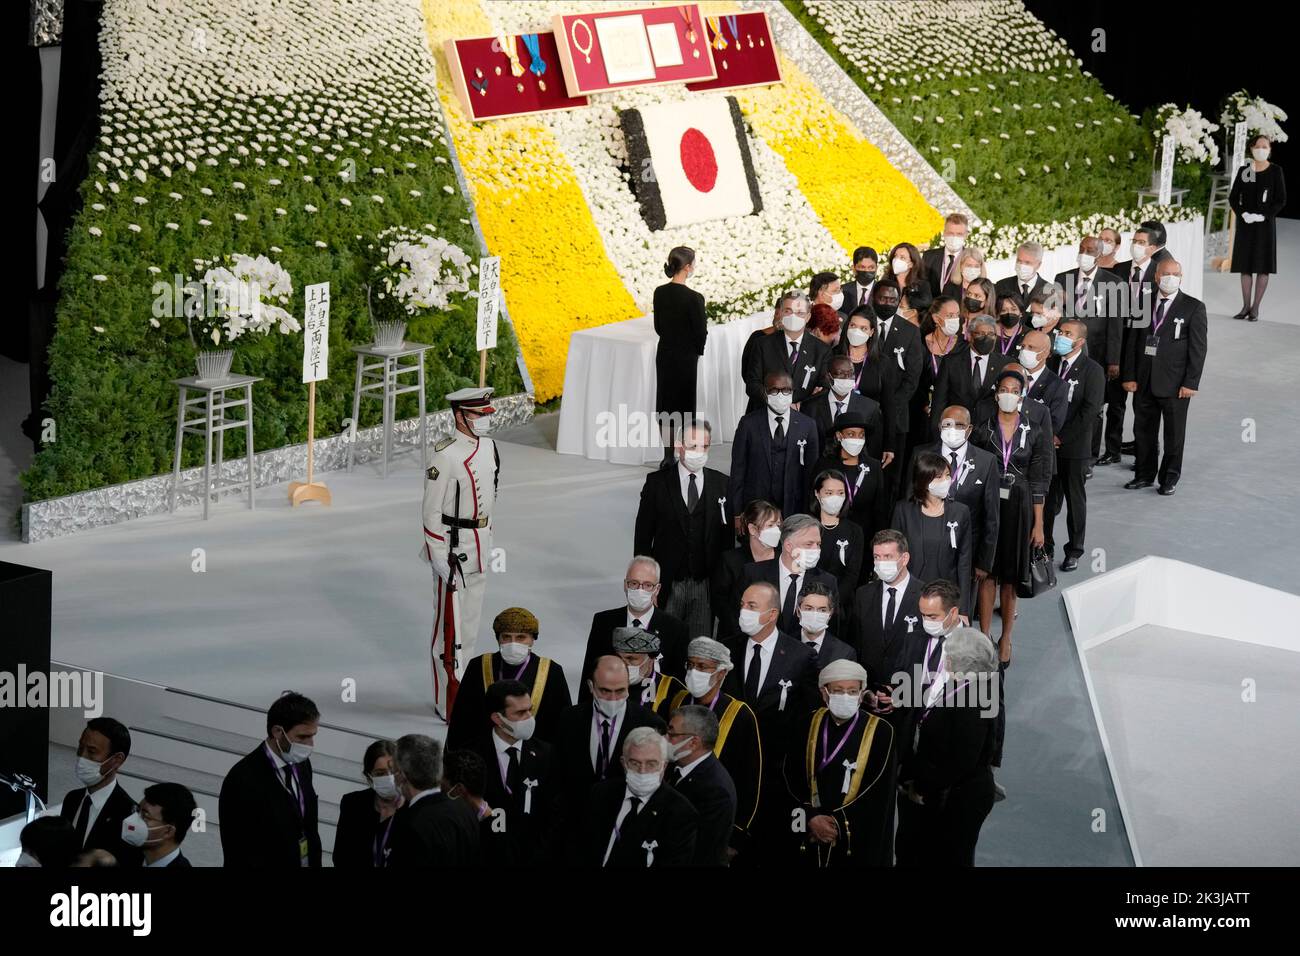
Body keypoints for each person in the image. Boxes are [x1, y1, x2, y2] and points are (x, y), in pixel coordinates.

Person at [723, 581, 819, 862]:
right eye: (742, 604)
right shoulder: (727, 648)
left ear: (772, 614)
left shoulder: (801, 657)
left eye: (752, 606)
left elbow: (808, 718)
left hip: (776, 777)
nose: (744, 611)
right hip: (733, 772)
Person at [422, 386, 500, 720]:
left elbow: (491, 498)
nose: (483, 421)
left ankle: (465, 692)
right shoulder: (445, 455)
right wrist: (438, 555)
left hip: (480, 545)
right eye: (477, 415)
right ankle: (447, 701)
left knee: (469, 626)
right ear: (460, 416)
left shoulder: (490, 447)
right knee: (448, 631)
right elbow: (430, 511)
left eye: (485, 415)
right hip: (455, 550)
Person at [895, 626, 999, 867]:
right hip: (949, 790)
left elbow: (961, 761)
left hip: (960, 797)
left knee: (951, 857)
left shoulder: (972, 702)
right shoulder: (971, 687)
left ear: (955, 661)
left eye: (948, 656)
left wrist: (923, 786)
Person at [783, 659, 896, 867]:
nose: (846, 696)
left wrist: (838, 824)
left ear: (862, 694)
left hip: (854, 840)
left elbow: (879, 793)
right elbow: (791, 777)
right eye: (838, 690)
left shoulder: (881, 731)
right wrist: (810, 817)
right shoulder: (807, 723)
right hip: (809, 828)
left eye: (853, 691)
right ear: (824, 693)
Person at [634, 418, 730, 639]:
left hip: (704, 585)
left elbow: (726, 539)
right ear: (679, 446)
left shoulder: (722, 484)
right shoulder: (656, 483)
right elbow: (643, 536)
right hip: (668, 582)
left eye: (704, 446)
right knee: (663, 644)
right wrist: (645, 585)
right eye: (692, 446)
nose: (699, 451)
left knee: (699, 646)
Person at [667, 637, 762, 858]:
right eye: (690, 665)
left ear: (721, 672)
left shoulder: (740, 714)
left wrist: (737, 835)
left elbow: (751, 780)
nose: (693, 672)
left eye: (702, 666)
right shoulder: (678, 700)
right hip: (676, 810)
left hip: (716, 817)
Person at [554, 656, 655, 859]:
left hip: (622, 835)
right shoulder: (568, 719)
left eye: (620, 691)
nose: (612, 699)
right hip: (573, 833)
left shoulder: (649, 723)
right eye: (605, 691)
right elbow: (558, 776)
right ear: (591, 686)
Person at [1122, 257, 1208, 496]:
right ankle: (1144, 474)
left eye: (1176, 274)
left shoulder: (1193, 307)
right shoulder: (1143, 302)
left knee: (1174, 435)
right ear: (1157, 276)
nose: (1171, 278)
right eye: (1167, 274)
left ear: (1181, 277)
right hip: (1144, 380)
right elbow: (1132, 342)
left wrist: (1191, 383)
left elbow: (1198, 349)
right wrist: (1129, 375)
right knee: (1143, 431)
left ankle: (1169, 478)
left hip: (1175, 384)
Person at [446, 606, 571, 752]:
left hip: (534, 756)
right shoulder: (478, 666)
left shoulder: (551, 671)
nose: (513, 643)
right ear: (498, 638)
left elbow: (561, 725)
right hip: (485, 755)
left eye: (521, 637)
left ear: (532, 639)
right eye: (506, 637)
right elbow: (462, 720)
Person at [219, 691, 322, 868]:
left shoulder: (302, 763)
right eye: (303, 737)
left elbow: (307, 823)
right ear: (277, 732)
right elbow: (238, 851)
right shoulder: (242, 779)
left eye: (313, 736)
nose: (310, 745)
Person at [908, 405, 1001, 598]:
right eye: (948, 424)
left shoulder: (986, 461)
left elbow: (991, 516)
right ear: (939, 427)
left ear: (969, 429)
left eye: (960, 425)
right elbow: (910, 502)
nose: (953, 429)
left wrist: (984, 562)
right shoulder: (920, 454)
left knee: (960, 608)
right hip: (923, 549)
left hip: (966, 554)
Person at [1101, 221, 1172, 466]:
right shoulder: (1117, 270)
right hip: (1119, 343)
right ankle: (1112, 449)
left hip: (1145, 346)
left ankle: (1145, 454)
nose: (1137, 247)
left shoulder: (1158, 273)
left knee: (1145, 406)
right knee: (1115, 402)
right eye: (1135, 242)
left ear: (1152, 248)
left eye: (1142, 243)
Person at [470, 679, 557, 866]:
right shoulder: (472, 756)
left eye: (529, 710)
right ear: (497, 718)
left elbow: (554, 815)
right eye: (519, 713)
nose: (529, 718)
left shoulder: (547, 755)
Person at [579, 556, 688, 702]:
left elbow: (678, 685)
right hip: (609, 708)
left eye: (647, 585)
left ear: (657, 589)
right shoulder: (604, 621)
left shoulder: (676, 629)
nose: (640, 590)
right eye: (634, 583)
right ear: (625, 585)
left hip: (655, 712)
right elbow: (590, 673)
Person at [586, 726, 698, 867]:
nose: (642, 771)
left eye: (651, 764)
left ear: (664, 766)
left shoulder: (680, 814)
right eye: (635, 763)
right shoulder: (601, 793)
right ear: (624, 763)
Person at [1045, 320, 1105, 571]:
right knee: (1047, 500)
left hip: (1074, 447)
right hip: (1046, 444)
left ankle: (1075, 550)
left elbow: (1090, 410)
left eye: (1067, 333)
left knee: (1074, 500)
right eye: (1060, 332)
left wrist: (1062, 437)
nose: (1061, 336)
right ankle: (1044, 546)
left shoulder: (1092, 370)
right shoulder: (1050, 364)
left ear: (1080, 341)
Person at [728, 369, 820, 520]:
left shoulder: (807, 425)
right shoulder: (748, 424)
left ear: (792, 392)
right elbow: (738, 469)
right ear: (765, 393)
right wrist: (737, 512)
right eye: (774, 391)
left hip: (794, 507)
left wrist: (809, 512)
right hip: (757, 507)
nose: (780, 395)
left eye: (786, 390)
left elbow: (811, 472)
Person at [891, 453, 974, 615]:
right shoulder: (903, 510)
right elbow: (895, 554)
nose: (946, 481)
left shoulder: (960, 512)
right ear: (924, 480)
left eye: (948, 475)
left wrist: (963, 610)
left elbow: (964, 564)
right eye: (939, 477)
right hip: (910, 592)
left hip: (946, 596)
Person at [848, 529, 925, 706]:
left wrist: (904, 692)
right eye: (877, 557)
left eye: (888, 557)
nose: (881, 563)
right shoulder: (863, 595)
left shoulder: (925, 596)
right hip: (869, 696)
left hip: (908, 697)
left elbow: (925, 654)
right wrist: (863, 690)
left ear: (904, 559)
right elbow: (855, 646)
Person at [386, 734, 480, 867]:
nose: (393, 777)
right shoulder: (465, 810)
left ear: (402, 775)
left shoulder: (409, 825)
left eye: (393, 770)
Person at [59, 717, 142, 867]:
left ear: (117, 760)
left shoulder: (130, 816)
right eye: (80, 748)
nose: (81, 757)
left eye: (91, 752)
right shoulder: (72, 799)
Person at [741, 513, 840, 636]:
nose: (816, 550)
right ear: (788, 546)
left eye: (818, 544)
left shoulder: (828, 581)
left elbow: (832, 630)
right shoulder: (754, 574)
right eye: (809, 544)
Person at [870, 279, 924, 498]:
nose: (887, 303)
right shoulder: (863, 324)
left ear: (899, 300)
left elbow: (912, 377)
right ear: (874, 297)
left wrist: (889, 406)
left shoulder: (910, 331)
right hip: (866, 413)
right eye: (883, 298)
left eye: (893, 299)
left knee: (892, 479)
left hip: (897, 416)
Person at [653, 245, 707, 463]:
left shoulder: (660, 292)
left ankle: (667, 456)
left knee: (665, 405)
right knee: (685, 406)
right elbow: (700, 332)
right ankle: (685, 452)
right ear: (687, 267)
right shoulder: (694, 298)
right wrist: (697, 351)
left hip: (665, 353)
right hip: (686, 357)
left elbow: (658, 327)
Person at [666, 705, 738, 866]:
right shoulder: (672, 768)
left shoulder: (717, 791)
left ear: (693, 742)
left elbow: (703, 852)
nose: (666, 738)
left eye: (672, 733)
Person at [1054, 236, 1122, 400]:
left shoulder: (1113, 282)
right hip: (1066, 349)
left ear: (1099, 255)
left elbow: (1115, 325)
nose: (1084, 254)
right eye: (1081, 249)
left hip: (1095, 351)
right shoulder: (1062, 278)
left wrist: (1113, 360)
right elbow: (1055, 314)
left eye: (1089, 251)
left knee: (1093, 399)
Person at [743, 290, 831, 411]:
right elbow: (752, 384)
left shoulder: (821, 350)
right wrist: (776, 402)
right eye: (788, 311)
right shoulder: (762, 344)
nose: (793, 317)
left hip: (802, 417)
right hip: (764, 413)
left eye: (800, 313)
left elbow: (824, 388)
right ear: (781, 313)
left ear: (808, 317)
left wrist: (800, 405)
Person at [1229, 135, 1287, 321]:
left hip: (1265, 226)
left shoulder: (1275, 171)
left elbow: (1281, 200)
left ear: (1269, 150)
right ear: (1252, 149)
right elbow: (1233, 197)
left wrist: (1264, 215)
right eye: (1258, 146)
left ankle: (1255, 308)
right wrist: (1242, 213)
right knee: (1245, 266)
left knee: (1263, 266)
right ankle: (1245, 306)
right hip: (1246, 225)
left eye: (1265, 146)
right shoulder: (1246, 170)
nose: (1261, 149)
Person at [813, 411, 890, 540]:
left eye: (861, 435)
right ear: (839, 436)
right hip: (827, 535)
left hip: (865, 537)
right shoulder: (824, 465)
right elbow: (813, 503)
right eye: (851, 434)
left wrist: (879, 540)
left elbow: (880, 509)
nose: (857, 439)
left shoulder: (874, 466)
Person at [712, 499, 781, 643]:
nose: (776, 530)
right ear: (753, 529)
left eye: (777, 525)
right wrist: (741, 628)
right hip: (736, 635)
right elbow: (720, 601)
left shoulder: (783, 558)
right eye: (770, 525)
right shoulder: (730, 559)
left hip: (774, 635)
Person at [929, 315, 1009, 432]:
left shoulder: (1005, 364)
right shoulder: (951, 362)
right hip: (957, 429)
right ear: (970, 336)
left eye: (991, 334)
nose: (986, 338)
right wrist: (936, 434)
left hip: (990, 432)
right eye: (980, 334)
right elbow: (939, 402)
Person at [333, 739, 403, 868]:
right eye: (380, 773)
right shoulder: (353, 804)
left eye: (393, 771)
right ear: (369, 776)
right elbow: (341, 857)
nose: (389, 778)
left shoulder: (414, 810)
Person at [805, 355, 886, 454]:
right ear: (828, 377)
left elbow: (873, 448)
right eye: (841, 373)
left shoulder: (870, 408)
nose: (847, 378)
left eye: (851, 374)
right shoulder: (810, 406)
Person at [810, 470, 864, 605]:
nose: (835, 498)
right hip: (807, 600)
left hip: (840, 604)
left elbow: (852, 575)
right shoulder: (806, 527)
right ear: (817, 494)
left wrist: (832, 602)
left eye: (840, 493)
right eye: (829, 493)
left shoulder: (854, 531)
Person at [614, 625, 687, 716]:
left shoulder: (672, 689)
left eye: (631, 659)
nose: (623, 665)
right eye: (618, 658)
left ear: (651, 659)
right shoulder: (604, 682)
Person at [124, 782, 198, 867]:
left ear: (168, 831)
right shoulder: (125, 856)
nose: (134, 819)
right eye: (137, 811)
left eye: (145, 816)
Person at [1017, 327, 1068, 438]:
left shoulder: (1058, 385)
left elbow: (1054, 424)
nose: (1025, 351)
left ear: (1045, 353)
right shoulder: (1010, 375)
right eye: (1023, 346)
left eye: (1031, 347)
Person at [795, 580, 858, 668]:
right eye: (809, 608)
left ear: (830, 614)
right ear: (798, 611)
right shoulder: (783, 645)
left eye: (822, 610)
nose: (815, 614)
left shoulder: (845, 653)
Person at [922, 212, 971, 297]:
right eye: (950, 233)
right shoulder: (928, 257)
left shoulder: (971, 260)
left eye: (959, 234)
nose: (954, 237)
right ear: (944, 233)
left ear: (966, 235)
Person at [994, 240, 1049, 313]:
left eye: (1027, 263)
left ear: (1038, 265)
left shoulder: (1049, 291)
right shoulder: (1000, 286)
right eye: (1019, 261)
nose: (1022, 266)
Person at [840, 246, 878, 317]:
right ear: (853, 268)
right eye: (862, 267)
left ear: (876, 268)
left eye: (871, 267)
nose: (866, 271)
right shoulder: (842, 291)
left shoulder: (883, 292)